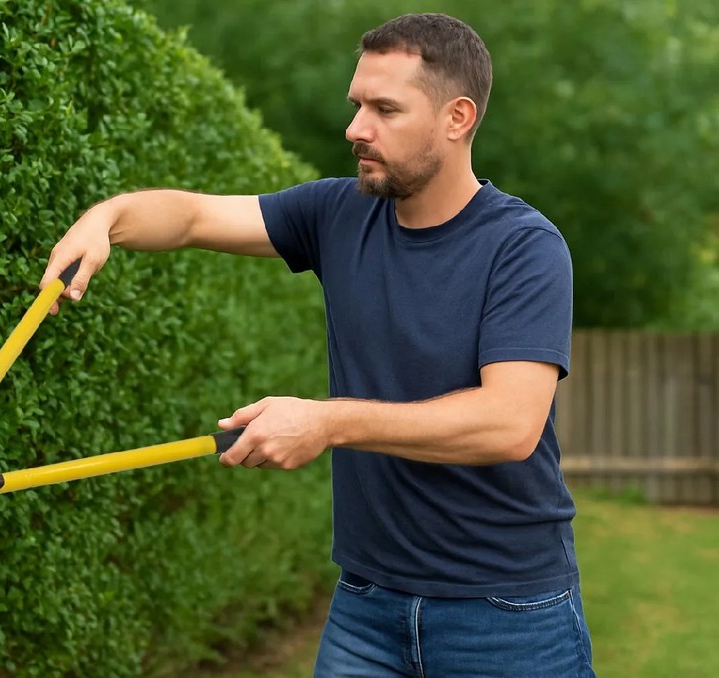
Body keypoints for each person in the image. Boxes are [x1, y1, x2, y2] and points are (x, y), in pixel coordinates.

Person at [39, 12, 594, 678]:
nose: (356, 128)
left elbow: (509, 425)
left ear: (457, 118)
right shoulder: (337, 214)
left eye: (385, 109)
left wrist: (327, 421)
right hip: (367, 605)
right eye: (357, 104)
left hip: (506, 614)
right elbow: (190, 216)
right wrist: (107, 220)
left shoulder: (524, 247)